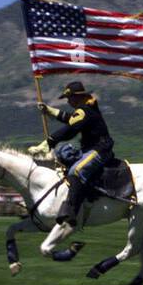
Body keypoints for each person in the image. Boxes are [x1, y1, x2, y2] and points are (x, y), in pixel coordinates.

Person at [28, 80, 115, 227]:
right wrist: (50, 111)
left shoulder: (85, 111)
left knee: (76, 170)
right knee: (63, 155)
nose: (68, 101)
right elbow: (71, 119)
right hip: (89, 149)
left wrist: (47, 143)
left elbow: (70, 129)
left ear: (76, 96)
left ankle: (71, 210)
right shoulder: (84, 109)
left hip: (100, 150)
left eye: (69, 98)